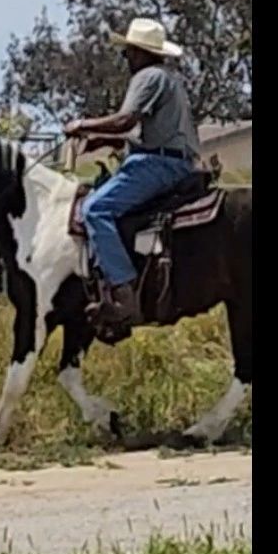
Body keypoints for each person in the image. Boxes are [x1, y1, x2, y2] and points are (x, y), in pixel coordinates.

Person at [63, 18, 202, 334]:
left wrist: (83, 125)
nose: (126, 57)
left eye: (128, 51)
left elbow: (126, 120)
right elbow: (141, 132)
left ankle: (123, 291)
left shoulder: (148, 76)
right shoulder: (170, 79)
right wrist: (103, 140)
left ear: (141, 52)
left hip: (159, 164)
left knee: (95, 209)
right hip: (177, 161)